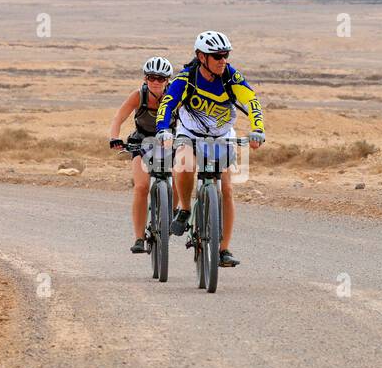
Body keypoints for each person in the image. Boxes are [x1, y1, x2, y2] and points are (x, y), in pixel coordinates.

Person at [155, 31, 265, 267]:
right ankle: (184, 209)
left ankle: (223, 249)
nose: (222, 60)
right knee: (184, 163)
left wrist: (258, 129)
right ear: (201, 56)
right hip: (190, 133)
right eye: (217, 56)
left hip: (221, 135)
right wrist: (163, 129)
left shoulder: (231, 77)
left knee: (226, 189)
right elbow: (167, 104)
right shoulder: (185, 79)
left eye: (225, 55)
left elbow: (252, 101)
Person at [109, 56, 173, 253]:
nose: (155, 82)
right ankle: (139, 238)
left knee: (180, 180)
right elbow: (119, 116)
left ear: (168, 80)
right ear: (145, 79)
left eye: (160, 78)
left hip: (170, 141)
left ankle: (174, 217)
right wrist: (114, 137)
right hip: (141, 142)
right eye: (151, 77)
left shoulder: (176, 95)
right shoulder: (138, 95)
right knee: (141, 187)